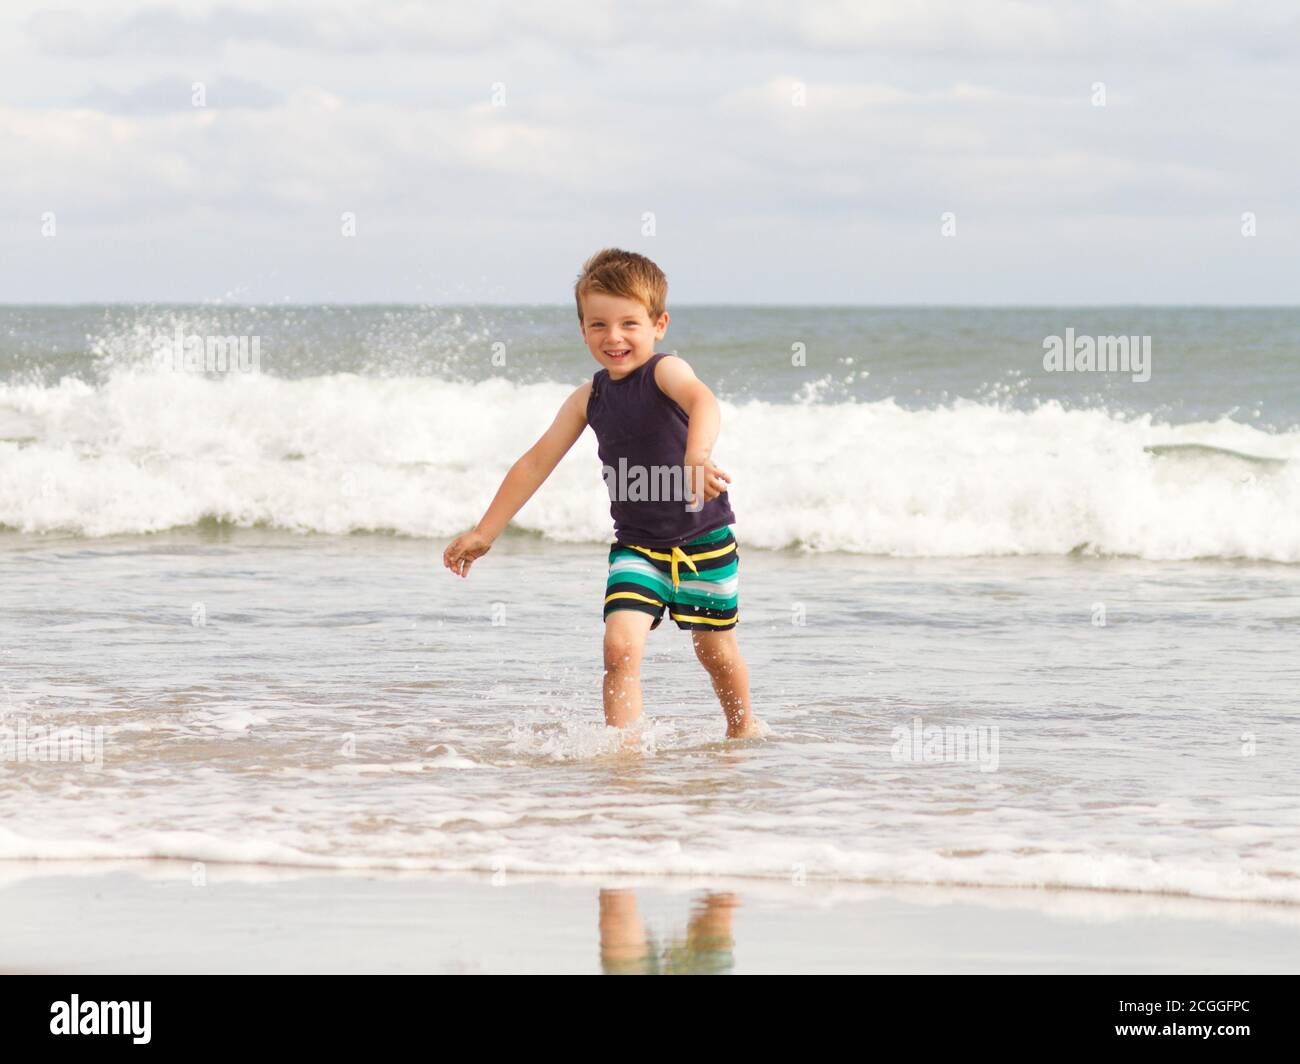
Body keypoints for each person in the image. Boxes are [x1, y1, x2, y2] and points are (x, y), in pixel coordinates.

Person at [442, 248, 763, 739]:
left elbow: (703, 399)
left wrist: (697, 456)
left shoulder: (665, 372)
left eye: (629, 323)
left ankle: (742, 730)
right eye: (598, 325)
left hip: (704, 542)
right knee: (619, 650)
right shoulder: (588, 398)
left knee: (715, 652)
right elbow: (534, 462)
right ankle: (624, 753)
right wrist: (487, 531)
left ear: (659, 324)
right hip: (637, 548)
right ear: (582, 329)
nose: (613, 337)